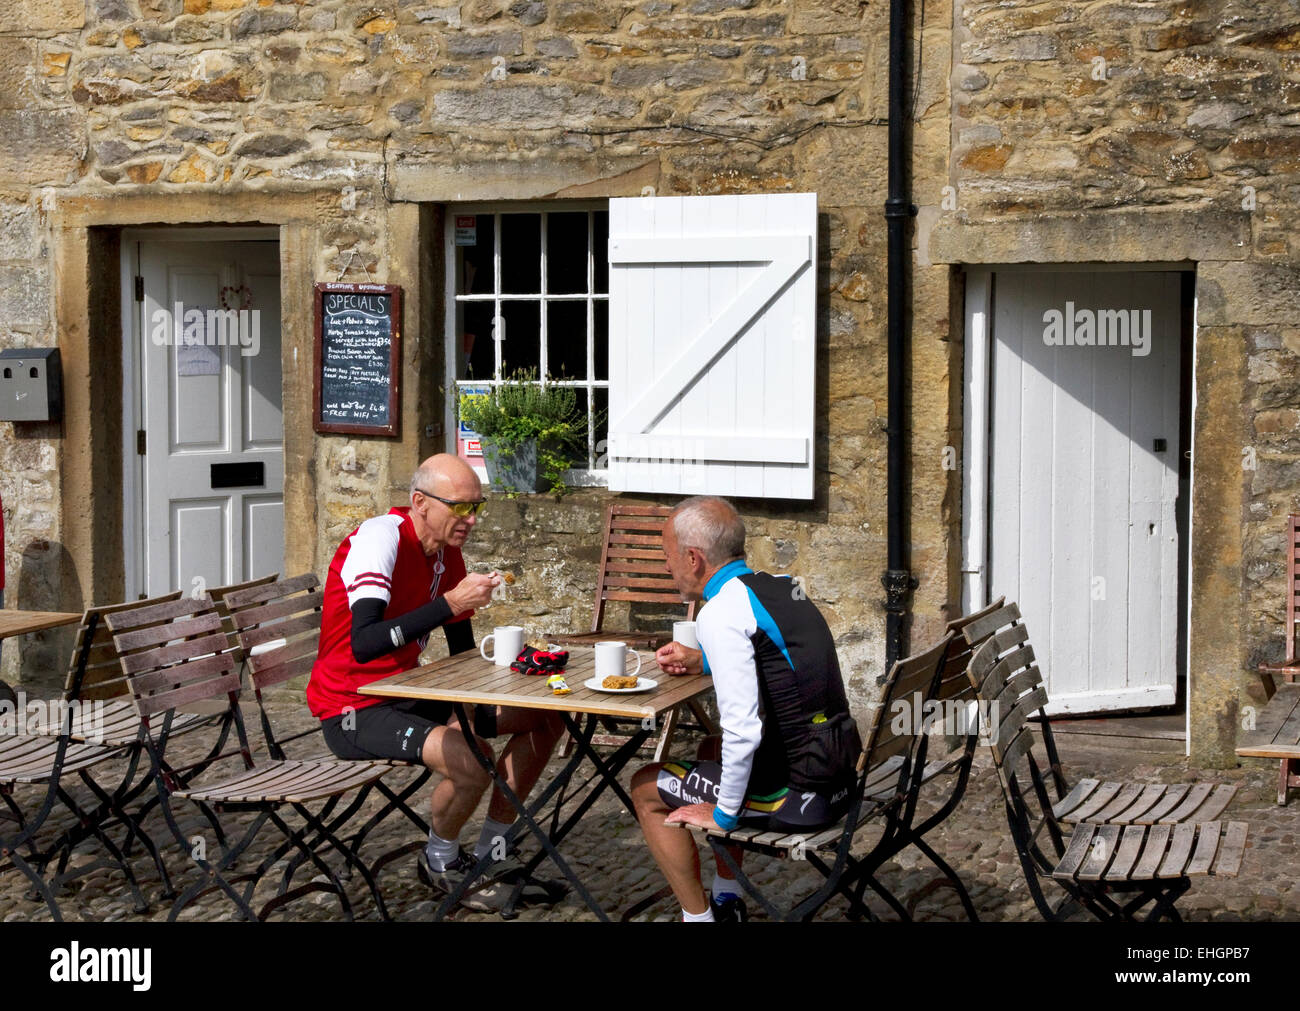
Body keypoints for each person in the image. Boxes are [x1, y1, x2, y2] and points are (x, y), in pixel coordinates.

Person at [308, 453, 565, 912]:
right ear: (420, 502)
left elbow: (462, 648)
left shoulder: (447, 550)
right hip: (353, 706)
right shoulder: (379, 540)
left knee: (546, 718)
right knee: (472, 761)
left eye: (476, 507)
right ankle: (440, 861)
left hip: (410, 690)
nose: (470, 519)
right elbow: (366, 643)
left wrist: (497, 689)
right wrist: (449, 602)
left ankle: (490, 853)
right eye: (460, 506)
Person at [631, 496, 862, 922]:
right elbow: (782, 673)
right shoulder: (780, 587)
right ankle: (726, 897)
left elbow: (744, 730)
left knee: (645, 786)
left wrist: (723, 814)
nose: (668, 567)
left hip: (799, 797)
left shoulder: (719, 614)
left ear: (694, 558)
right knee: (710, 750)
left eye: (668, 557)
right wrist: (705, 660)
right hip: (840, 774)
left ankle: (697, 919)